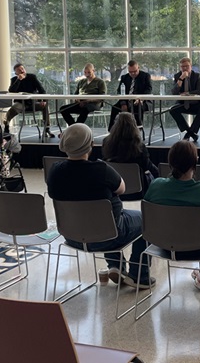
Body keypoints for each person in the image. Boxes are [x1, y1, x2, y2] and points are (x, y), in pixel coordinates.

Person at [47, 123, 154, 289]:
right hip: (107, 236)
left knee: (108, 218)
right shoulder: (101, 170)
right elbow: (122, 189)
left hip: (71, 236)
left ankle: (116, 267)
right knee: (145, 220)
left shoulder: (54, 171)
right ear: (90, 145)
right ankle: (140, 275)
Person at [143, 140, 200, 291]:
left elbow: (149, 219)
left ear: (170, 162)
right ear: (195, 162)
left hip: (166, 245)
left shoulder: (156, 185)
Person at [101, 112, 159, 201]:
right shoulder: (139, 146)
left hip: (115, 189)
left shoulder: (106, 143)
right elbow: (148, 166)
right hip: (137, 192)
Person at [5, 63, 54, 139]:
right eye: (19, 70)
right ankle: (6, 126)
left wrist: (43, 100)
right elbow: (11, 91)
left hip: (33, 102)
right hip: (21, 103)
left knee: (45, 106)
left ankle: (47, 129)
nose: (21, 70)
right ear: (16, 73)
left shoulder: (32, 77)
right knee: (13, 108)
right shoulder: (14, 80)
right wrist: (19, 80)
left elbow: (41, 90)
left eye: (22, 69)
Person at [169, 57, 200, 142]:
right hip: (184, 103)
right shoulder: (177, 76)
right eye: (182, 66)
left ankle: (189, 134)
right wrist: (181, 79)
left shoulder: (197, 76)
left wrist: (186, 94)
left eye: (187, 66)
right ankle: (191, 133)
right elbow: (174, 93)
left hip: (197, 103)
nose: (184, 68)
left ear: (191, 66)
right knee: (172, 110)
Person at [108, 60, 153, 131]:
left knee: (137, 107)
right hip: (126, 101)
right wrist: (123, 103)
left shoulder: (145, 76)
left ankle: (137, 130)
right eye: (130, 72)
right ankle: (112, 131)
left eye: (135, 71)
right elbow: (119, 91)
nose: (133, 73)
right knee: (115, 108)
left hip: (143, 101)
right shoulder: (124, 77)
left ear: (138, 68)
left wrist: (140, 98)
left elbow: (148, 89)